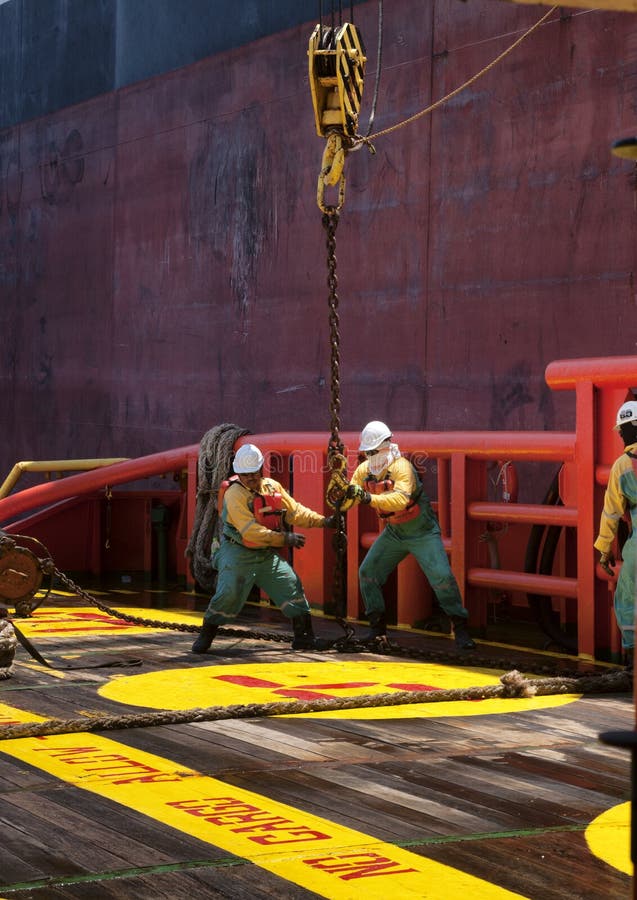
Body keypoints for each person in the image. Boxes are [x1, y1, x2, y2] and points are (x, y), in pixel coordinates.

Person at [344, 421, 476, 650]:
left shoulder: (402, 468)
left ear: (387, 446)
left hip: (422, 532)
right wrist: (342, 496)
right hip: (394, 532)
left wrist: (367, 499)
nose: (370, 456)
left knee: (442, 577)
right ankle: (377, 630)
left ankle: (461, 627)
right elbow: (349, 498)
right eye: (367, 452)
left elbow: (400, 499)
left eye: (374, 451)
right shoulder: (364, 470)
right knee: (368, 572)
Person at [192, 443, 336, 653]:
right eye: (245, 474)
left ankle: (304, 637)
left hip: (264, 552)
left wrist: (324, 521)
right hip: (237, 550)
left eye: (254, 473)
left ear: (261, 469)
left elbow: (294, 511)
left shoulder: (272, 487)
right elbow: (249, 532)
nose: (250, 478)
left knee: (290, 584)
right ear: (238, 473)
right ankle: (207, 633)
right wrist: (284, 539)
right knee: (228, 593)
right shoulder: (235, 495)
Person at [594, 400, 637, 668]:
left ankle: (632, 656)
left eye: (622, 429)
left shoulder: (623, 465)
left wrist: (604, 549)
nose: (620, 435)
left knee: (628, 594)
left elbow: (611, 512)